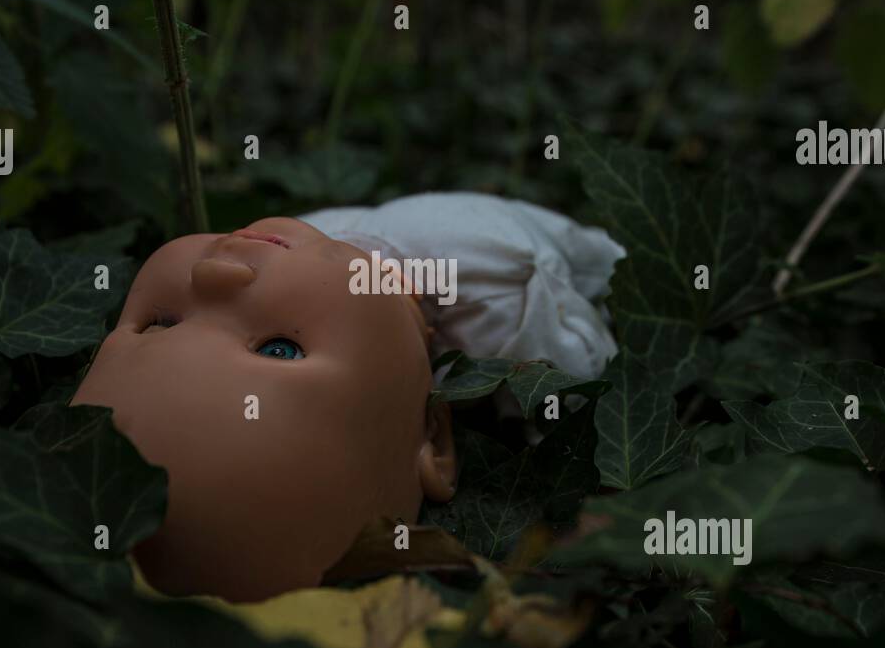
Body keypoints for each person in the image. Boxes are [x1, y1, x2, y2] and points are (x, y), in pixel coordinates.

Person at [72, 192, 624, 602]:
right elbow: (585, 339)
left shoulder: (291, 244)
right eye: (280, 350)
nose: (216, 273)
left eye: (162, 324)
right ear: (433, 436)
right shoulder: (506, 286)